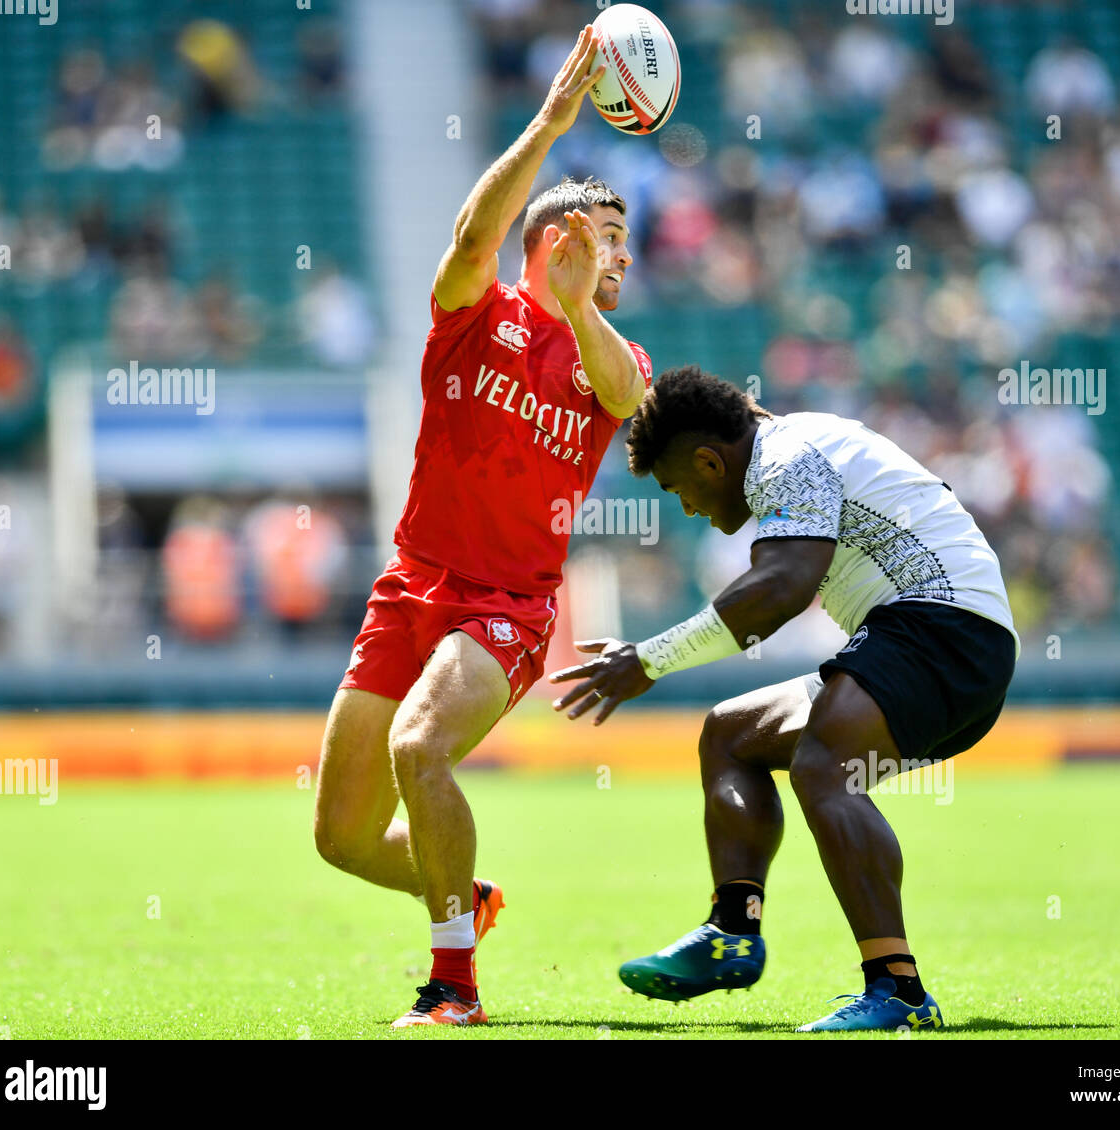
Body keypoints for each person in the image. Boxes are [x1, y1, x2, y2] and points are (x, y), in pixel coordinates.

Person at [313, 26, 651, 1028]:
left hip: (504, 609)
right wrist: (552, 121)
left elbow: (627, 394)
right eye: (604, 239)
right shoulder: (477, 309)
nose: (621, 257)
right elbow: (470, 243)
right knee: (338, 837)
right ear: (553, 242)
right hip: (409, 587)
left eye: (628, 246)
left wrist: (587, 306)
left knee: (422, 749)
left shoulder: (605, 350)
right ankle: (472, 897)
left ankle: (452, 987)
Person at [551, 366, 1018, 1032]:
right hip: (945, 638)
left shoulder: (785, 458)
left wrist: (650, 660)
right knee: (730, 736)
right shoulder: (793, 443)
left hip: (943, 631)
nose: (688, 508)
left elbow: (781, 589)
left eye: (679, 488)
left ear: (710, 460)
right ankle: (731, 934)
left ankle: (899, 991)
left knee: (823, 763)